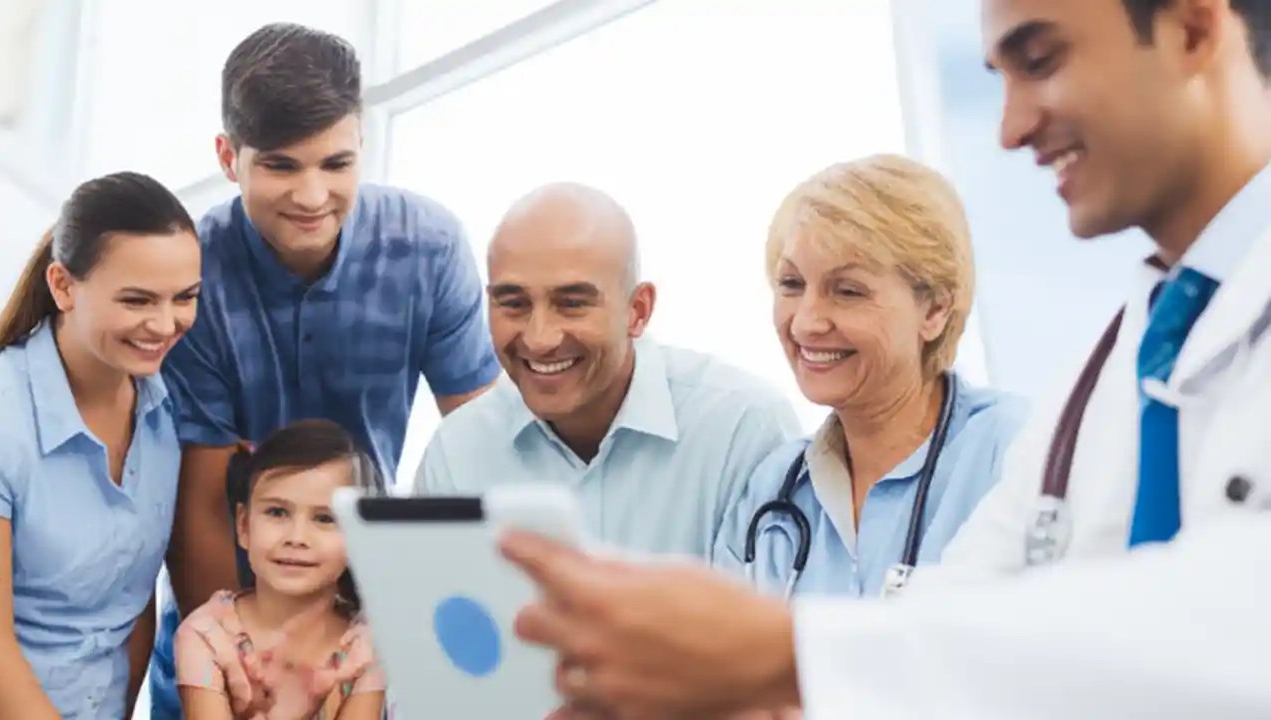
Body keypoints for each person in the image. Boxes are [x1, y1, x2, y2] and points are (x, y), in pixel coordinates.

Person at [495, 0, 1271, 717]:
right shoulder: (1112, 375)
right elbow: (969, 604)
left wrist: (786, 651)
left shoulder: (1008, 433)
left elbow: (1231, 617)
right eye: (791, 285)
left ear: (1192, 31)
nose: (1008, 128)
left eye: (1040, 60)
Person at [151, 22, 500, 719]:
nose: (313, 196)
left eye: (335, 165)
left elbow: (484, 448)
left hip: (362, 625)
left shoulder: (428, 249)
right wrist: (236, 661)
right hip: (220, 619)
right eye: (282, 166)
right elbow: (201, 501)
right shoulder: (195, 272)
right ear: (229, 156)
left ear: (362, 147)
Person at [416, 182, 801, 558]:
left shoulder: (743, 430)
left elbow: (770, 614)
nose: (539, 339)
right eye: (513, 304)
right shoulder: (457, 451)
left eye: (571, 303)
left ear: (638, 311)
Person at [712, 155, 1026, 599]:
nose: (805, 323)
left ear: (935, 308)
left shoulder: (1015, 450)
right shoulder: (773, 490)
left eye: (847, 291)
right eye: (791, 284)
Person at [0, 172, 200, 718]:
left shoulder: (167, 411)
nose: (164, 323)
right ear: (63, 286)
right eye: (136, 300)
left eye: (185, 297)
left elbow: (131, 605)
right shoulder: (0, 415)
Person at [175, 419, 386, 720]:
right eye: (277, 512)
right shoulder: (207, 635)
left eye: (325, 519)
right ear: (244, 525)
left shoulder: (367, 646)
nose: (296, 538)